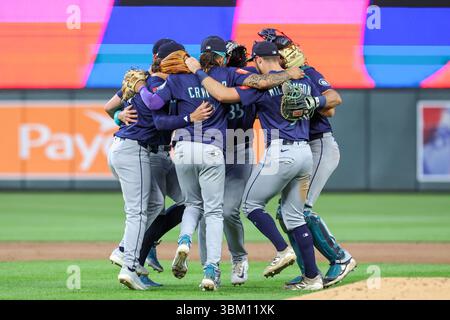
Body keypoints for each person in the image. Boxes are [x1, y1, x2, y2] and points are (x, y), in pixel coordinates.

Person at [134, 36, 303, 291]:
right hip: (215, 148)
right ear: (222, 56)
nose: (236, 58)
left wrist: (141, 89)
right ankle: (210, 268)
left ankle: (230, 256)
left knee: (218, 210)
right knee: (210, 212)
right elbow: (255, 84)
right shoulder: (225, 76)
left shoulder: (213, 75)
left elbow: (159, 106)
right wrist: (288, 73)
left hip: (226, 148)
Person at [185, 41, 329, 290]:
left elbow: (222, 94)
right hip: (305, 153)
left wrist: (198, 71)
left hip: (281, 152)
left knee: (250, 205)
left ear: (260, 61)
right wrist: (314, 102)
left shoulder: (263, 88)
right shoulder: (303, 80)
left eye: (256, 62)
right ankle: (313, 278)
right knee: (294, 217)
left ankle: (282, 249)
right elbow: (331, 105)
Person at [104, 40, 212, 290]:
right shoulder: (150, 82)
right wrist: (119, 116)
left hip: (144, 150)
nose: (184, 61)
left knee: (158, 204)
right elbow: (152, 115)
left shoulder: (165, 83)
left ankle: (126, 252)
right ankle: (129, 264)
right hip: (137, 149)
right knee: (138, 212)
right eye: (179, 58)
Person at [258, 28, 357, 288]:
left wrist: (313, 102)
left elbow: (335, 99)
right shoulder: (279, 78)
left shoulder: (308, 73)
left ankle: (341, 258)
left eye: (278, 51)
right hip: (304, 147)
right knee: (285, 212)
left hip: (318, 145)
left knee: (300, 210)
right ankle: (308, 274)